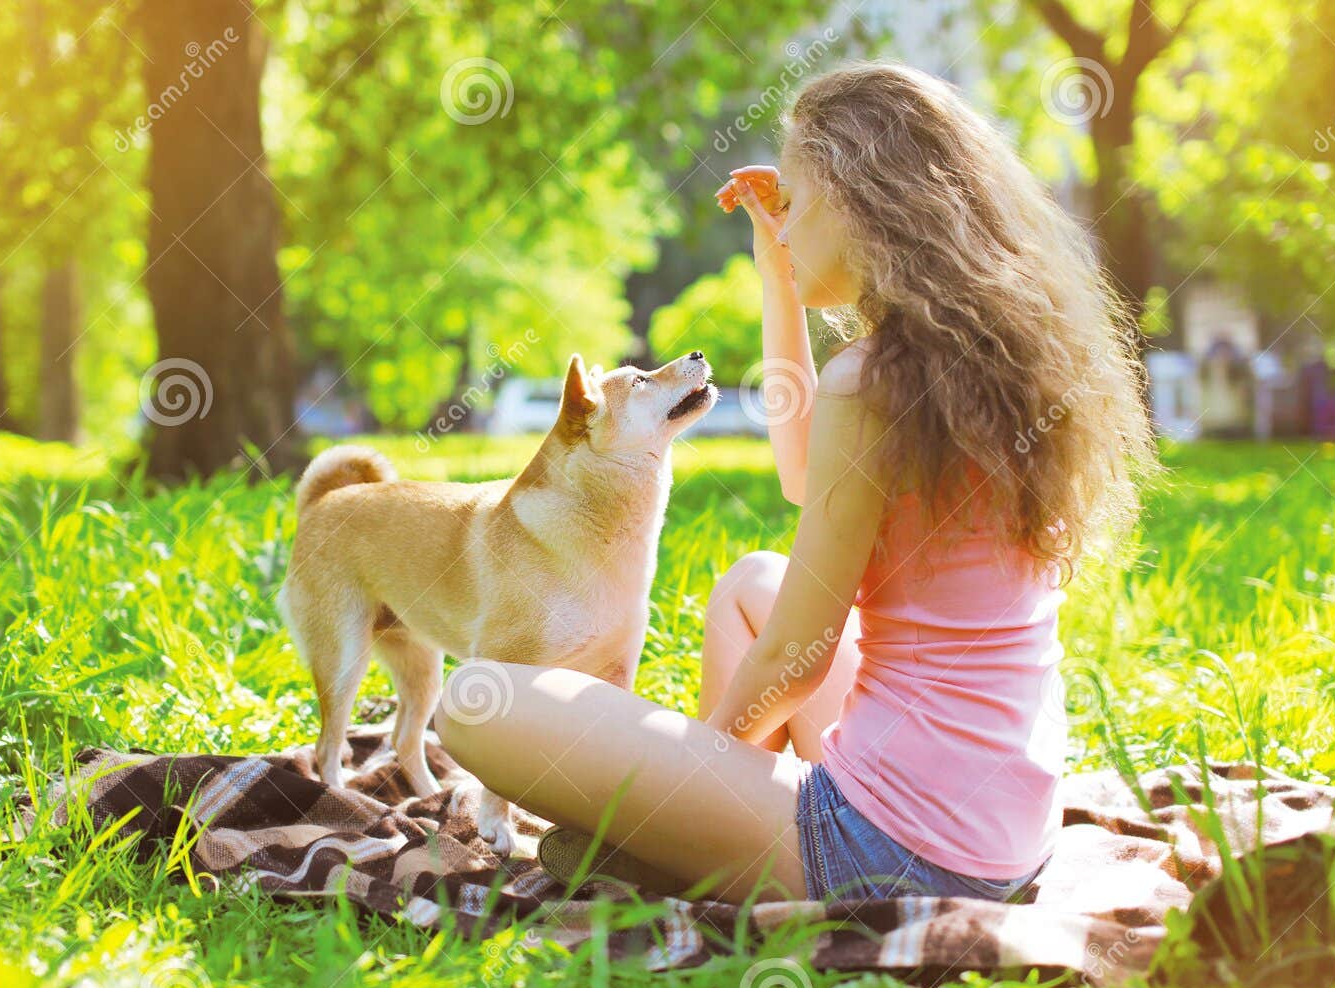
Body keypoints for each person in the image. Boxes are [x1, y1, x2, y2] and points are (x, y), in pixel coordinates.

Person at [433, 62, 1156, 903]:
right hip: (1002, 834)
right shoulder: (984, 357)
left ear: (860, 204)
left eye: (801, 200)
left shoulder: (873, 381)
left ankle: (678, 844)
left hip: (890, 848)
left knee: (476, 700)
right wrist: (780, 269)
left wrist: (681, 776)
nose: (789, 218)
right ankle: (706, 829)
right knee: (753, 586)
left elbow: (799, 657)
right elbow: (805, 474)